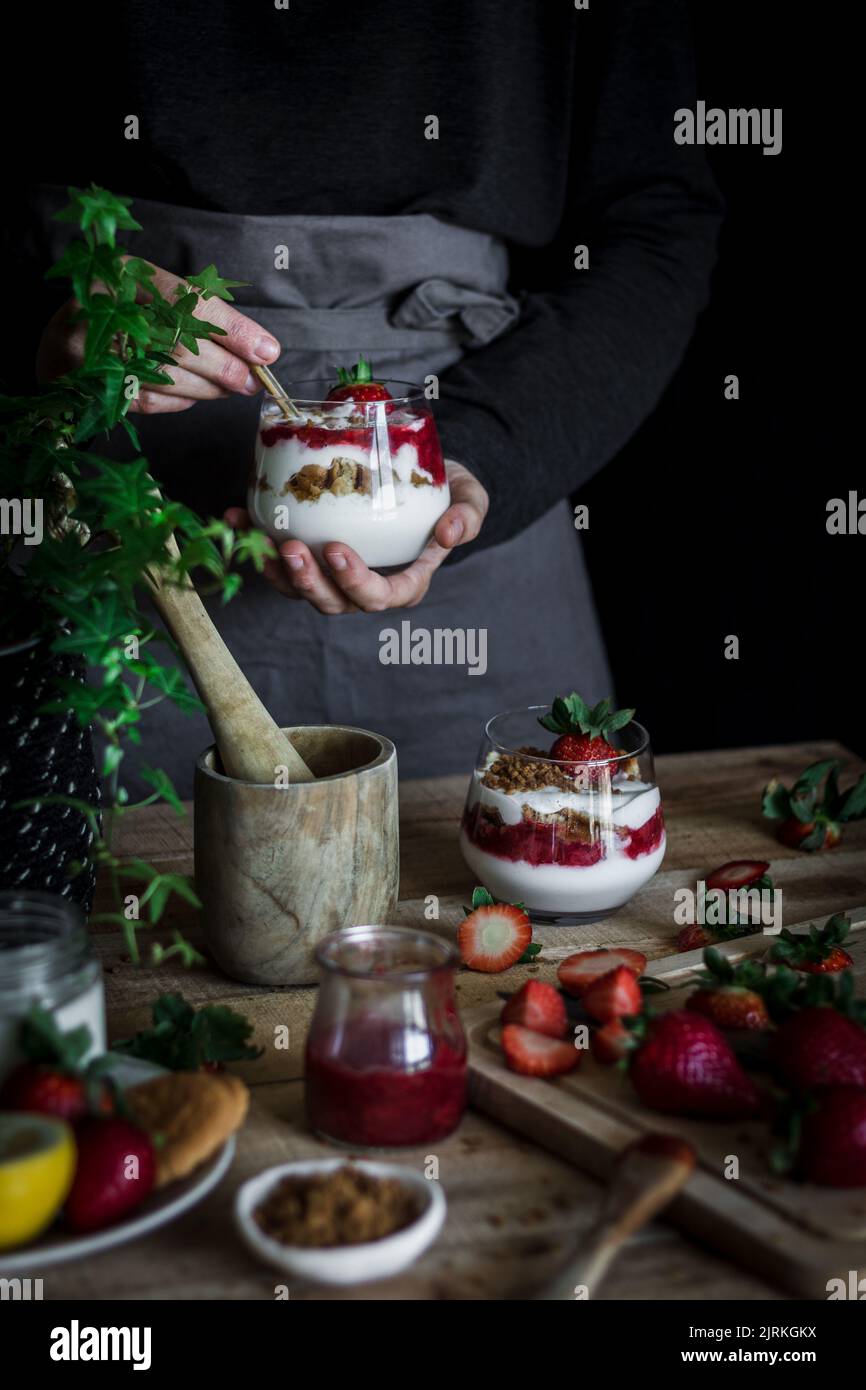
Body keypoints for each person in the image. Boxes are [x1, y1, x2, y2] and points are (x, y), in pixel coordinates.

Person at [10, 0, 722, 793]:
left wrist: (483, 451)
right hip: (105, 503)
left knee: (512, 855)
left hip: (477, 468)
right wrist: (41, 321)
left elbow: (655, 214)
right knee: (95, 895)